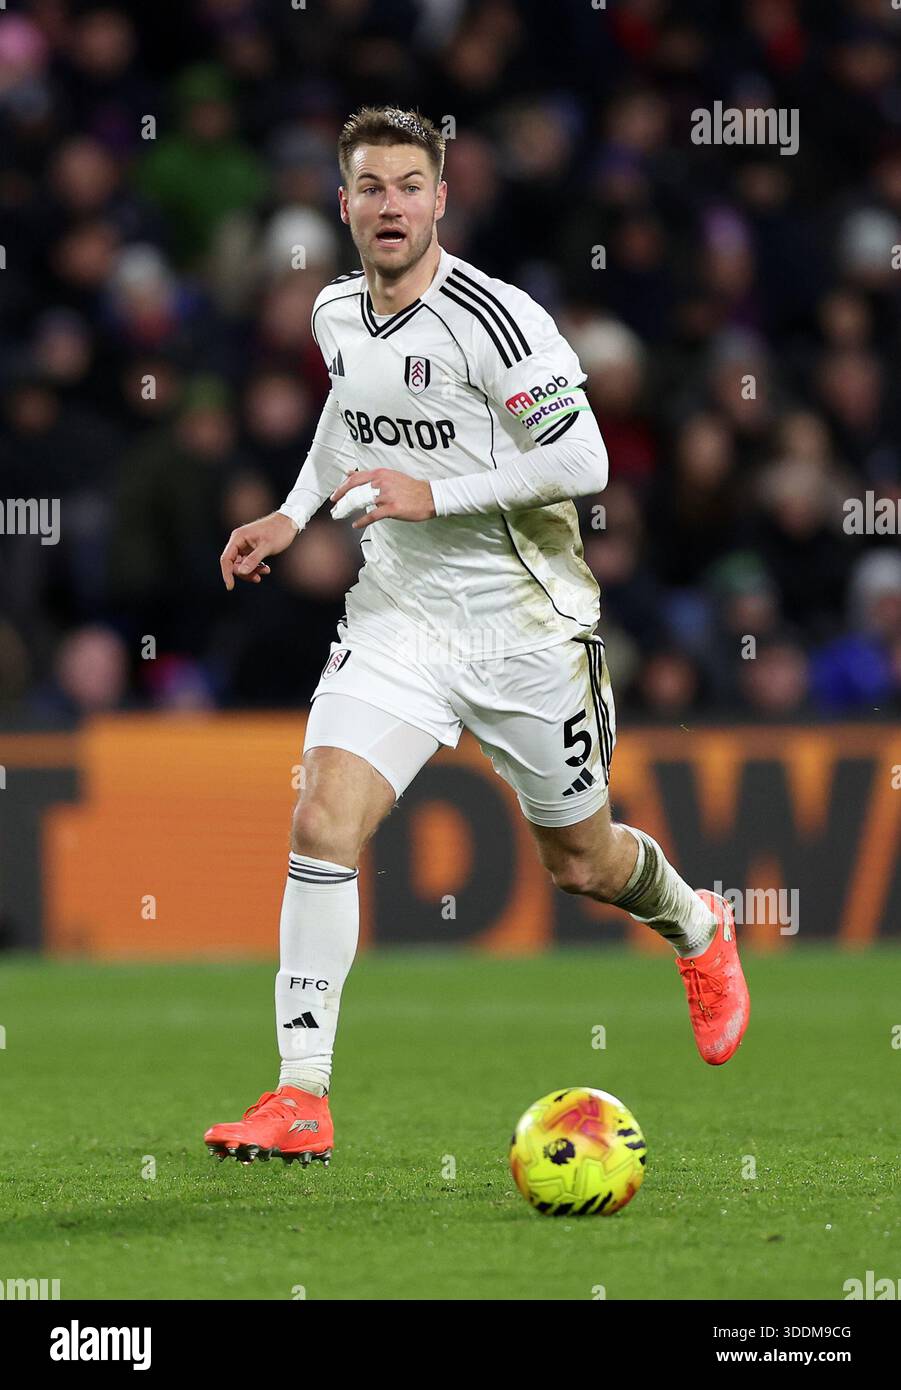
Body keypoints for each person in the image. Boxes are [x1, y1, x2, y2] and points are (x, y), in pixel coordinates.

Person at [205, 107, 750, 1166]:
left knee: (582, 862)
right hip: (399, 619)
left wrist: (434, 491)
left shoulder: (498, 324)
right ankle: (300, 1095)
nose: (391, 204)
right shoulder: (332, 312)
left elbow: (585, 461)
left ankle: (696, 926)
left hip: (524, 632)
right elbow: (345, 417)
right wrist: (293, 512)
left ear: (441, 198)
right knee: (323, 819)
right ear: (344, 201)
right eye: (370, 186)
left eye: (410, 184)